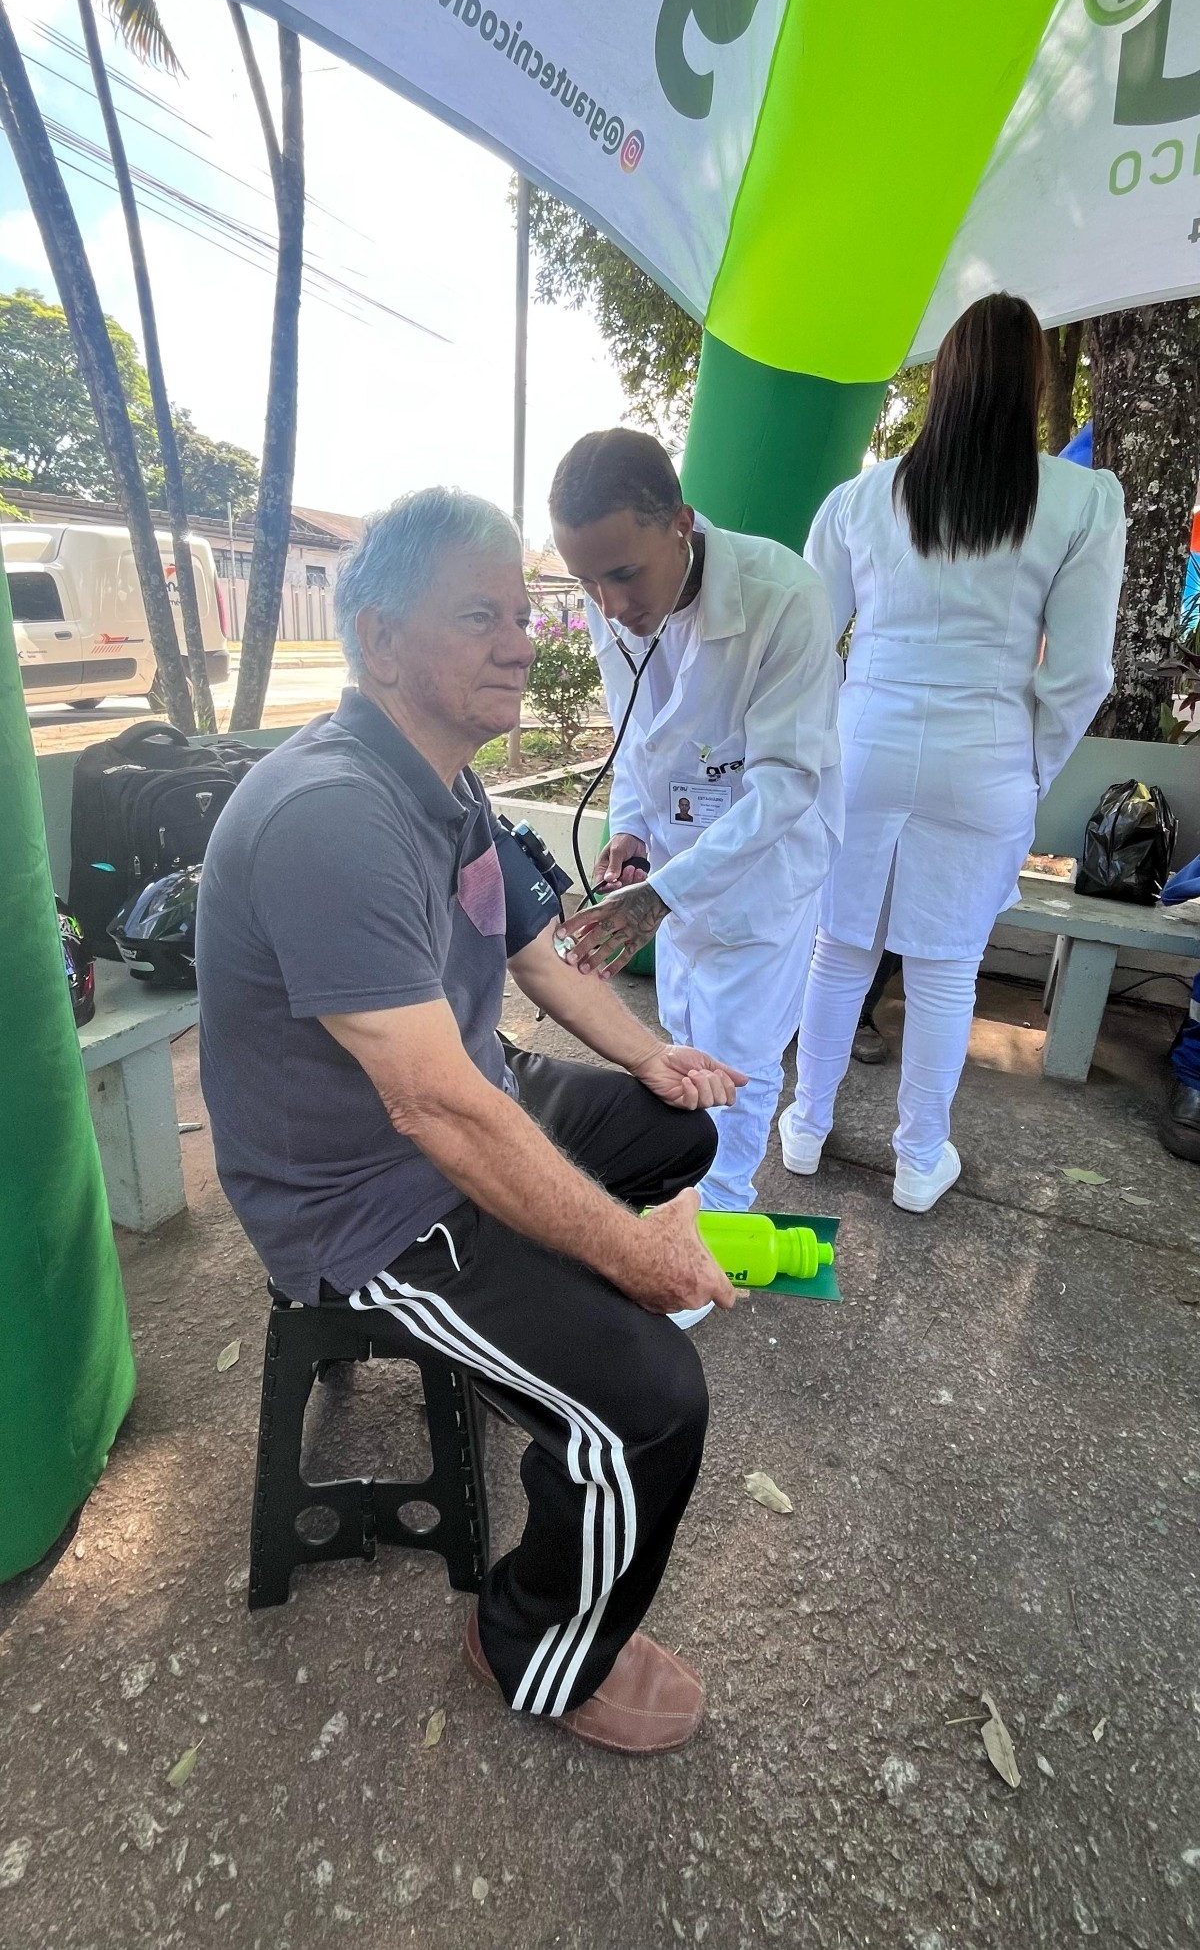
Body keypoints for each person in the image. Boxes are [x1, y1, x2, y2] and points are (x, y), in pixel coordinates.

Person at [196, 488, 750, 1757]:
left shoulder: (449, 789)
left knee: (679, 1138)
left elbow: (546, 955)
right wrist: (631, 1258)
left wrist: (655, 1055)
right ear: (384, 643)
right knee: (655, 1404)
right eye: (478, 616)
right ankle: (534, 1647)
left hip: (467, 1100)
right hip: (369, 1200)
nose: (522, 640)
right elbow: (429, 1105)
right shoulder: (334, 815)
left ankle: (561, 1342)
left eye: (524, 612)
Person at [777, 293, 1126, 1212]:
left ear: (945, 378)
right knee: (945, 964)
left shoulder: (864, 495)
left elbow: (810, 637)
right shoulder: (1083, 499)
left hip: (868, 740)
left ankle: (805, 1127)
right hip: (988, 749)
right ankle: (919, 1158)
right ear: (1032, 380)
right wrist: (1032, 765)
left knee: (838, 945)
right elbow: (1082, 670)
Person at [549, 428, 843, 1220]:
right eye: (586, 580)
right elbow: (636, 731)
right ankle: (683, 1203)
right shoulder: (607, 598)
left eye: (622, 574)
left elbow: (784, 788)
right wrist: (631, 831)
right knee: (679, 1048)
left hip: (759, 876)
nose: (608, 604)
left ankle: (717, 1230)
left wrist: (660, 895)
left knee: (734, 1066)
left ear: (680, 521)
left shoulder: (785, 598)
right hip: (674, 875)